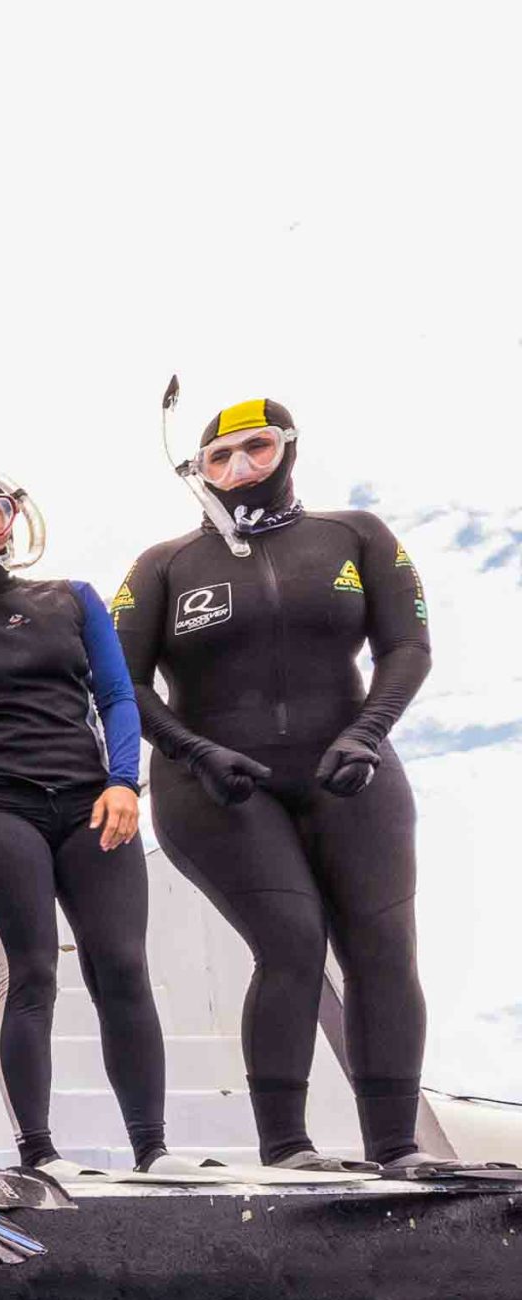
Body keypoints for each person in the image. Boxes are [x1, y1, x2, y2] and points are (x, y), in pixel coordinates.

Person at [115, 398, 429, 1170]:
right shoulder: (162, 564)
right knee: (292, 940)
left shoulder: (356, 534)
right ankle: (287, 1145)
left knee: (383, 945)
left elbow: (409, 646)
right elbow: (120, 682)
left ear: (289, 449)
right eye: (217, 460)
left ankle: (397, 1147)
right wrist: (193, 751)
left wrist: (367, 731)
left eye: (255, 450)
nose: (236, 470)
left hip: (350, 766)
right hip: (218, 782)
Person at [0, 473, 168, 1175]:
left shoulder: (72, 599)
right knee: (30, 972)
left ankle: (153, 1146)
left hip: (91, 802)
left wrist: (123, 781)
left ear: (13, 520)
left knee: (123, 965)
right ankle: (38, 1154)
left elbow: (115, 694)